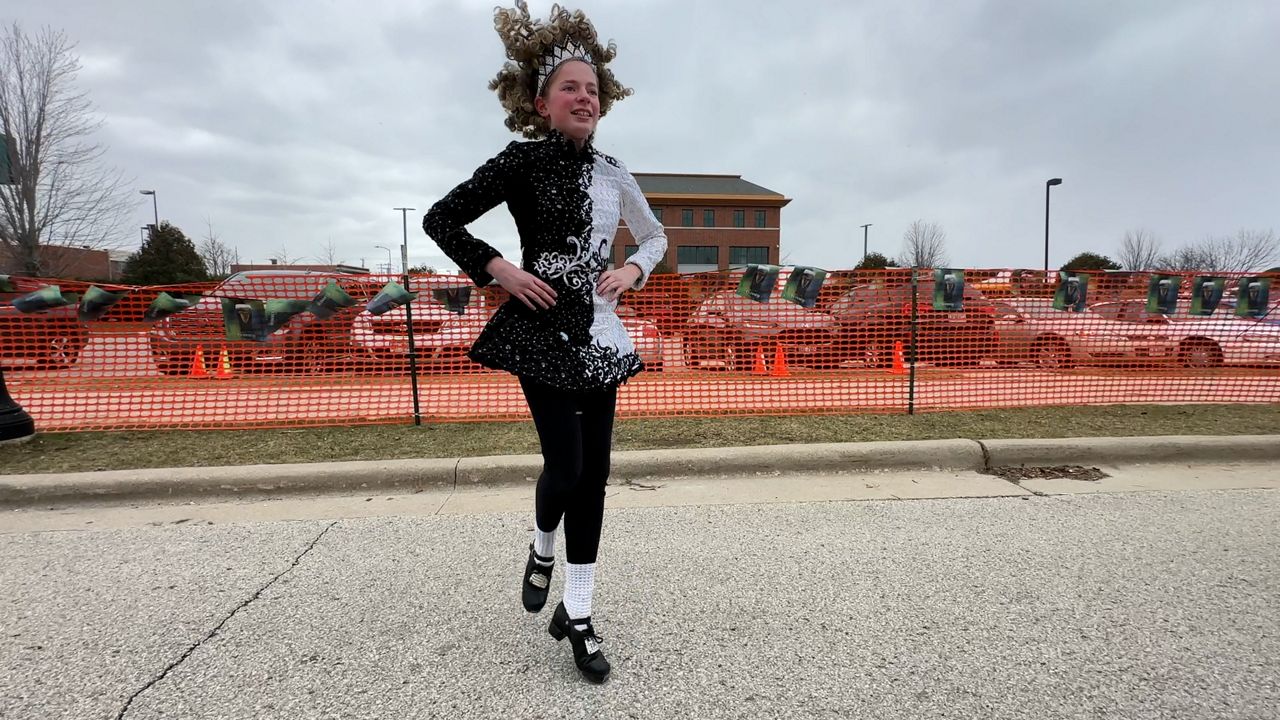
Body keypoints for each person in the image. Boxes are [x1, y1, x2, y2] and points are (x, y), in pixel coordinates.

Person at [422, 1, 666, 685]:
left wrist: (632, 269)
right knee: (566, 468)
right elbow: (443, 218)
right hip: (538, 332)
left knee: (597, 474)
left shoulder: (617, 172)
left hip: (600, 335)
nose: (584, 97)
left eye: (592, 89)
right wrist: (500, 270)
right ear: (542, 102)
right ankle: (540, 546)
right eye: (570, 87)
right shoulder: (521, 161)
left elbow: (655, 236)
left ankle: (579, 613)